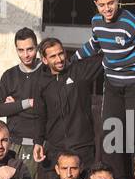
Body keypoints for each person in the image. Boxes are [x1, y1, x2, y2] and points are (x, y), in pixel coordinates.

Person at [73, 0, 135, 179]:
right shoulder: (96, 22)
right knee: (110, 132)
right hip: (113, 83)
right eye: (102, 5)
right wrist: (72, 60)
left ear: (118, 1)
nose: (107, 9)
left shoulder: (130, 23)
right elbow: (95, 45)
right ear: (96, 5)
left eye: (111, 3)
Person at [35, 37, 102, 169]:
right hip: (55, 149)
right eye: (53, 56)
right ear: (44, 60)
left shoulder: (79, 71)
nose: (59, 59)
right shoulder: (40, 82)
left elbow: (106, 58)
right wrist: (38, 142)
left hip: (82, 146)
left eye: (61, 53)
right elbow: (40, 116)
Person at [0, 27, 47, 179]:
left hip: (39, 144)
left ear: (37, 47)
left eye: (30, 49)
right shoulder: (9, 75)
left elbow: (45, 111)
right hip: (13, 144)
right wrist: (27, 103)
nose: (26, 54)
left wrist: (14, 107)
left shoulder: (46, 73)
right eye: (21, 50)